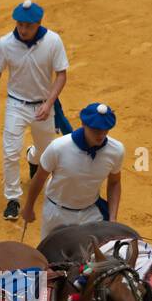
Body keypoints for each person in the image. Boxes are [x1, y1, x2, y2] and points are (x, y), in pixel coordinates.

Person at [0, 0, 69, 221]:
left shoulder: (53, 41)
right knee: (9, 153)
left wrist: (48, 103)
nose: (23, 30)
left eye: (28, 26)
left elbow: (61, 75)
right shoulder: (6, 44)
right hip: (16, 105)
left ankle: (33, 158)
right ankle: (13, 199)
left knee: (46, 152)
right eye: (19, 25)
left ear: (38, 23)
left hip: (43, 106)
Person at [21, 101, 124, 243]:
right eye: (95, 130)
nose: (101, 134)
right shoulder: (58, 147)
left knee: (95, 259)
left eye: (105, 129)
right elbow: (40, 178)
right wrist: (28, 207)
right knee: (51, 259)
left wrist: (112, 219)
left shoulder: (116, 150)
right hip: (57, 212)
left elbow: (115, 182)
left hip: (90, 212)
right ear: (84, 125)